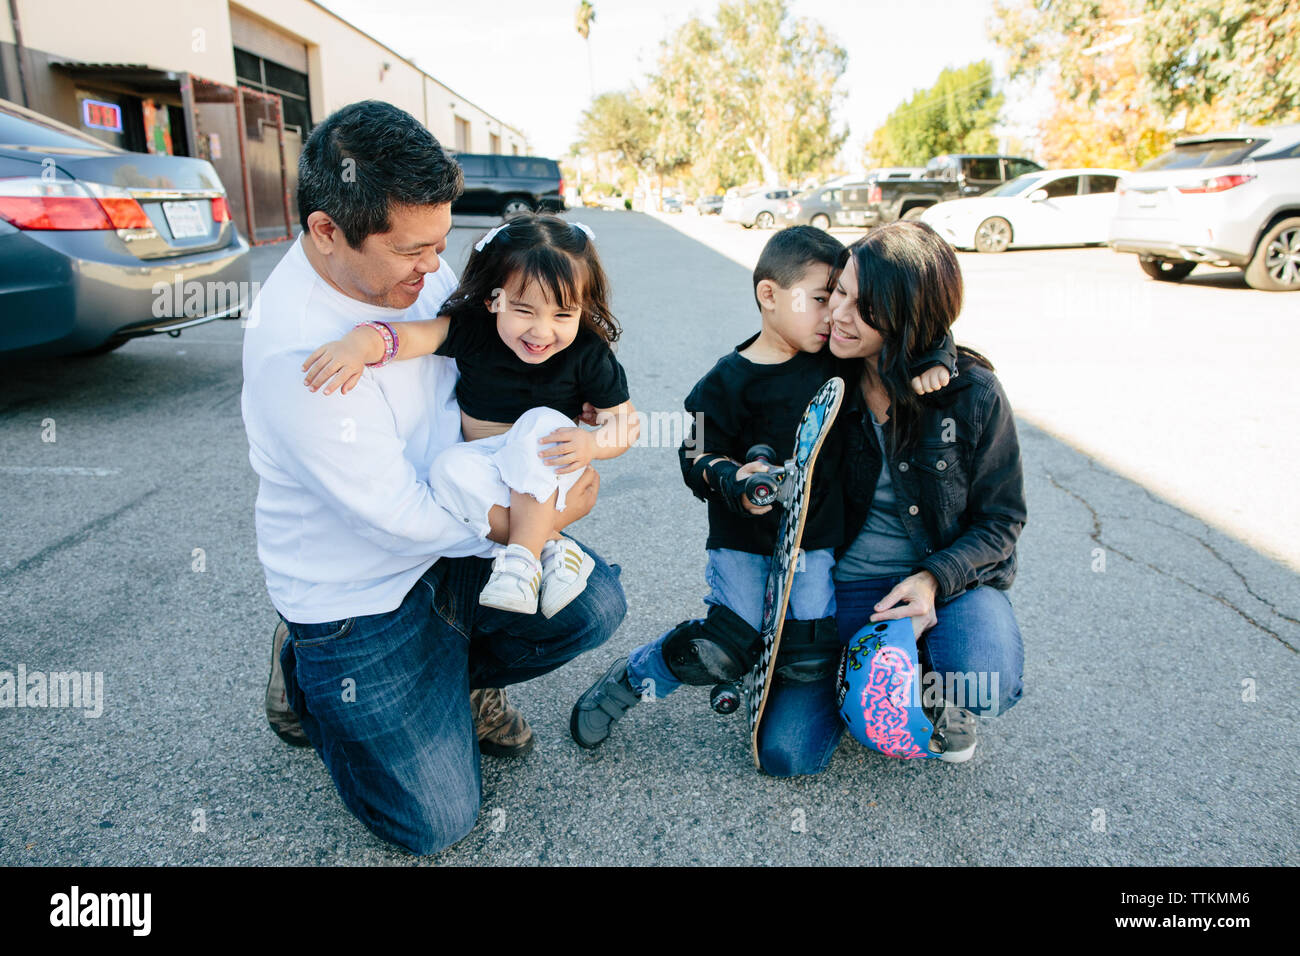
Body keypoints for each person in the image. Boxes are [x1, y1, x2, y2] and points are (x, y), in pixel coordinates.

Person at [241, 100, 626, 855]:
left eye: (441, 244)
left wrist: (568, 430)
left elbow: (484, 359)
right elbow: (395, 513)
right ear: (327, 230)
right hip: (363, 593)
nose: (432, 269)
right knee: (436, 822)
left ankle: (453, 683)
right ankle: (307, 671)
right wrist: (533, 523)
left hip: (454, 548)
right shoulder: (297, 356)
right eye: (412, 250)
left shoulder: (412, 269)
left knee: (595, 605)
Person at [568, 226, 953, 770]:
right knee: (723, 647)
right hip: (743, 542)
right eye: (821, 299)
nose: (834, 316)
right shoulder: (724, 383)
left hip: (813, 544)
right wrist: (734, 479)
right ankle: (634, 679)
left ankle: (797, 688)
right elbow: (693, 455)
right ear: (769, 295)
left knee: (808, 655)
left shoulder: (836, 364)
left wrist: (939, 353)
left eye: (841, 299)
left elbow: (909, 326)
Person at [758, 220, 1027, 775]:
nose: (836, 314)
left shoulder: (971, 394)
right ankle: (865, 672)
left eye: (861, 306)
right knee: (786, 755)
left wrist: (931, 579)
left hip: (947, 583)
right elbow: (748, 372)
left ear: (906, 318)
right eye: (839, 293)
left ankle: (926, 674)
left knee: (985, 679)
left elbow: (1001, 521)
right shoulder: (822, 375)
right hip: (844, 588)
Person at [300, 212, 636, 619]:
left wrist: (592, 444)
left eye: (563, 315)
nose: (542, 332)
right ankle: (553, 545)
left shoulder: (587, 351)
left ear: (583, 308)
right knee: (446, 468)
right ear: (494, 299)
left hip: (549, 467)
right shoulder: (475, 330)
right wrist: (357, 345)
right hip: (490, 470)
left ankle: (520, 564)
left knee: (540, 422)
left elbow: (625, 423)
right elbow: (411, 337)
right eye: (525, 311)